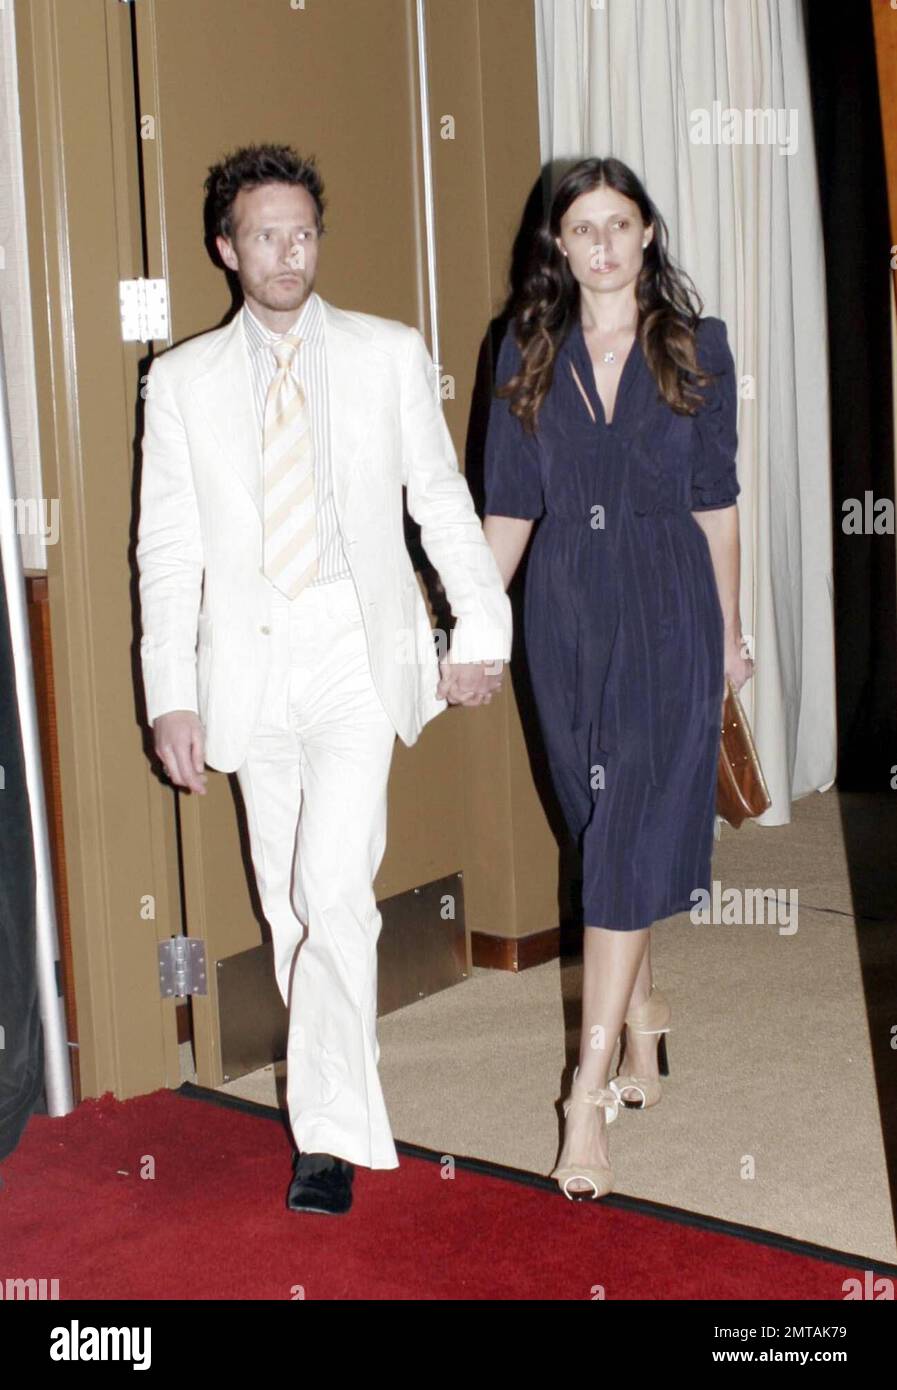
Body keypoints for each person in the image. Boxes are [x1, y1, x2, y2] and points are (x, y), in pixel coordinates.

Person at [136, 143, 510, 1216]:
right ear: (227, 248)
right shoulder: (182, 382)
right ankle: (341, 1094)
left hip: (357, 649)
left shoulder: (386, 354)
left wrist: (478, 623)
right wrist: (173, 693)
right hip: (251, 668)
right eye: (265, 234)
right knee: (289, 905)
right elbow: (165, 550)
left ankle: (329, 1139)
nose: (287, 252)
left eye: (303, 233)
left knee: (334, 887)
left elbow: (438, 496)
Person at [482, 156, 753, 1201]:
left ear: (647, 235)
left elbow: (716, 501)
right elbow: (509, 505)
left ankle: (583, 1098)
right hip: (563, 606)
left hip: (669, 600)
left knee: (630, 824)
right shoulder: (525, 348)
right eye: (581, 227)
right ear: (558, 244)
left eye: (619, 223)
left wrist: (730, 632)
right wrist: (471, 629)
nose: (601, 243)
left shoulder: (695, 345)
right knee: (596, 821)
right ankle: (643, 1012)